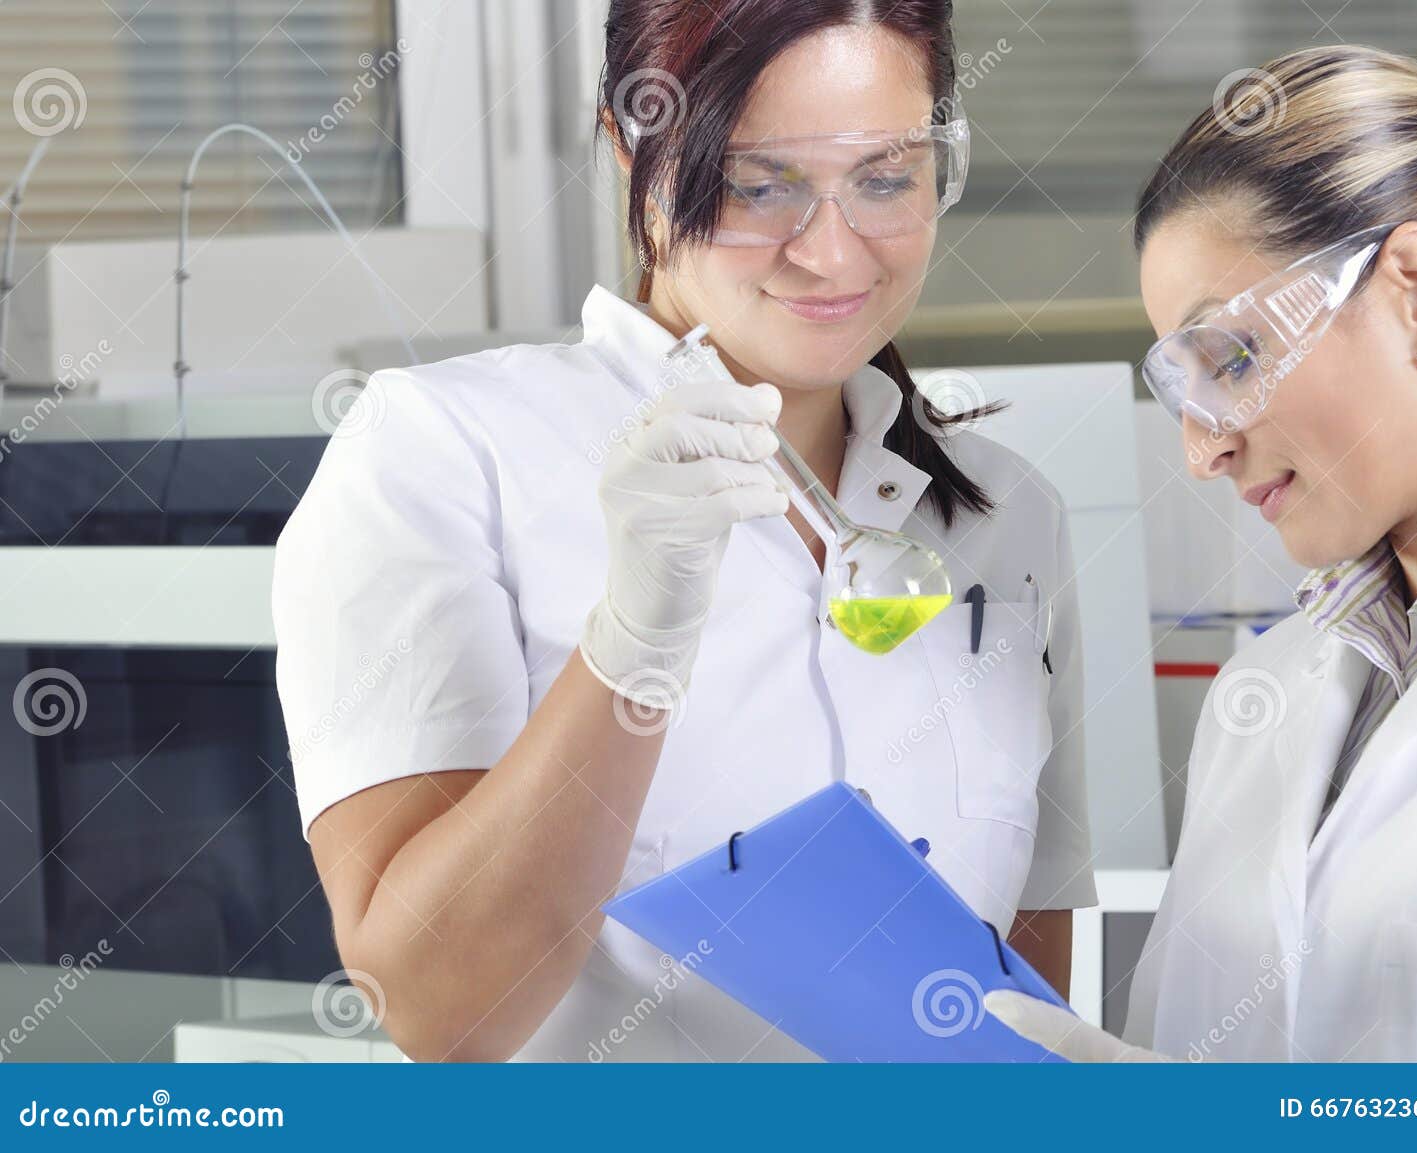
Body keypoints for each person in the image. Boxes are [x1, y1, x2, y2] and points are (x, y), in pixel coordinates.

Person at [273, 0, 1096, 1062]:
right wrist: (633, 645)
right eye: (759, 184)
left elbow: (1028, 998)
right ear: (633, 151)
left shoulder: (1007, 513)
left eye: (886, 179)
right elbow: (440, 1010)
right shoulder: (440, 452)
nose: (831, 252)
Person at [989, 44, 1417, 1061]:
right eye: (1180, 389)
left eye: (1230, 358)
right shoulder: (1261, 697)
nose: (1202, 451)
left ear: (1416, 291)